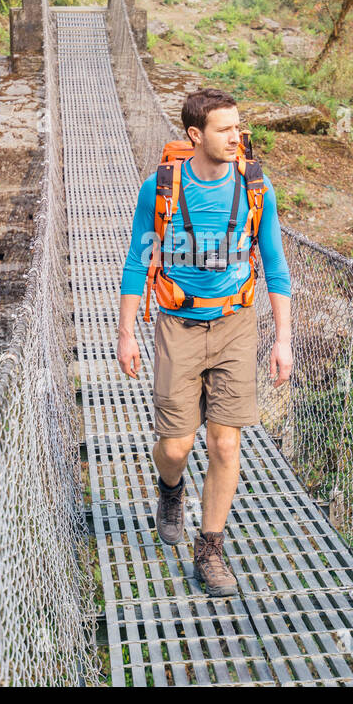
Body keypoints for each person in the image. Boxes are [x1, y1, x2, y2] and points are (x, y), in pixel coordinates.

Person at [116, 87, 293, 596]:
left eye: (239, 127)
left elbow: (276, 269)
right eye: (225, 129)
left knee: (224, 441)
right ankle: (170, 488)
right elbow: (135, 262)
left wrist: (282, 340)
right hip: (177, 323)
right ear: (196, 135)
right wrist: (127, 334)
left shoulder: (257, 188)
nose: (237, 137)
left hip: (237, 322)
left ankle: (209, 549)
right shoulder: (160, 188)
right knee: (175, 445)